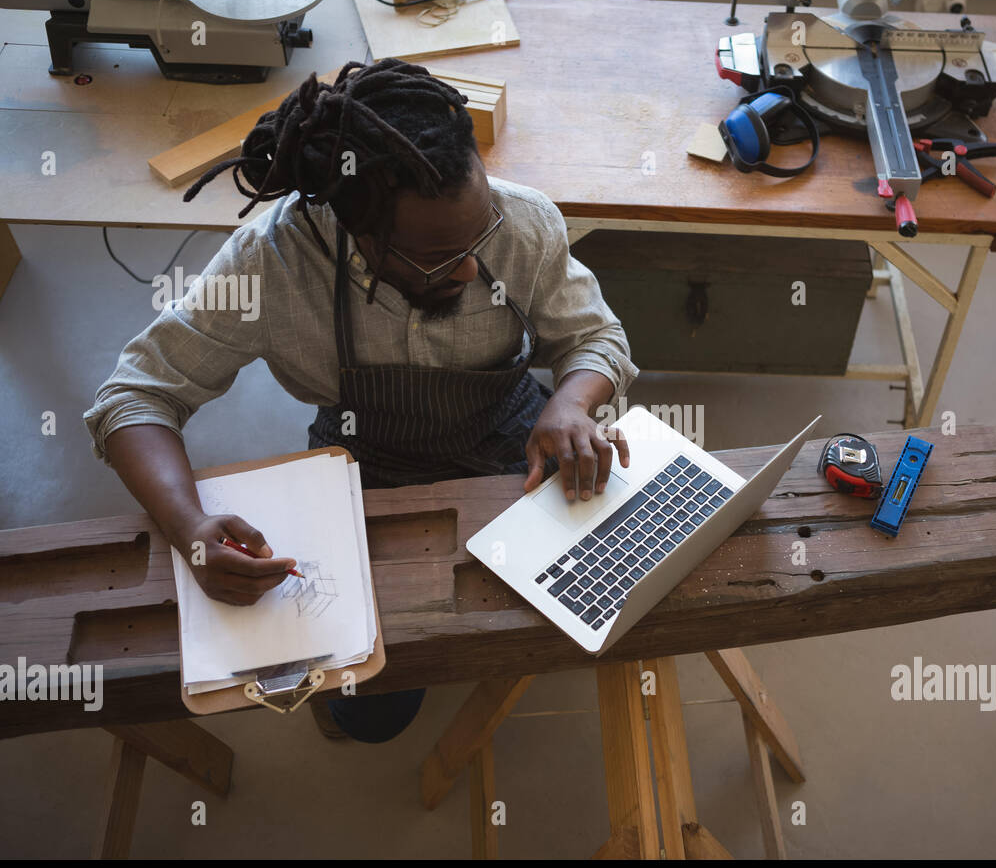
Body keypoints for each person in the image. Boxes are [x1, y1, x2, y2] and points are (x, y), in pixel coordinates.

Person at [84, 59, 638, 743]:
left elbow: (594, 336)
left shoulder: (524, 225)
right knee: (371, 706)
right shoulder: (271, 263)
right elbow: (135, 396)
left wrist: (573, 403)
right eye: (439, 257)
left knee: (579, 607)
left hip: (515, 442)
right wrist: (187, 525)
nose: (470, 268)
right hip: (364, 470)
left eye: (479, 236)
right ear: (360, 236)